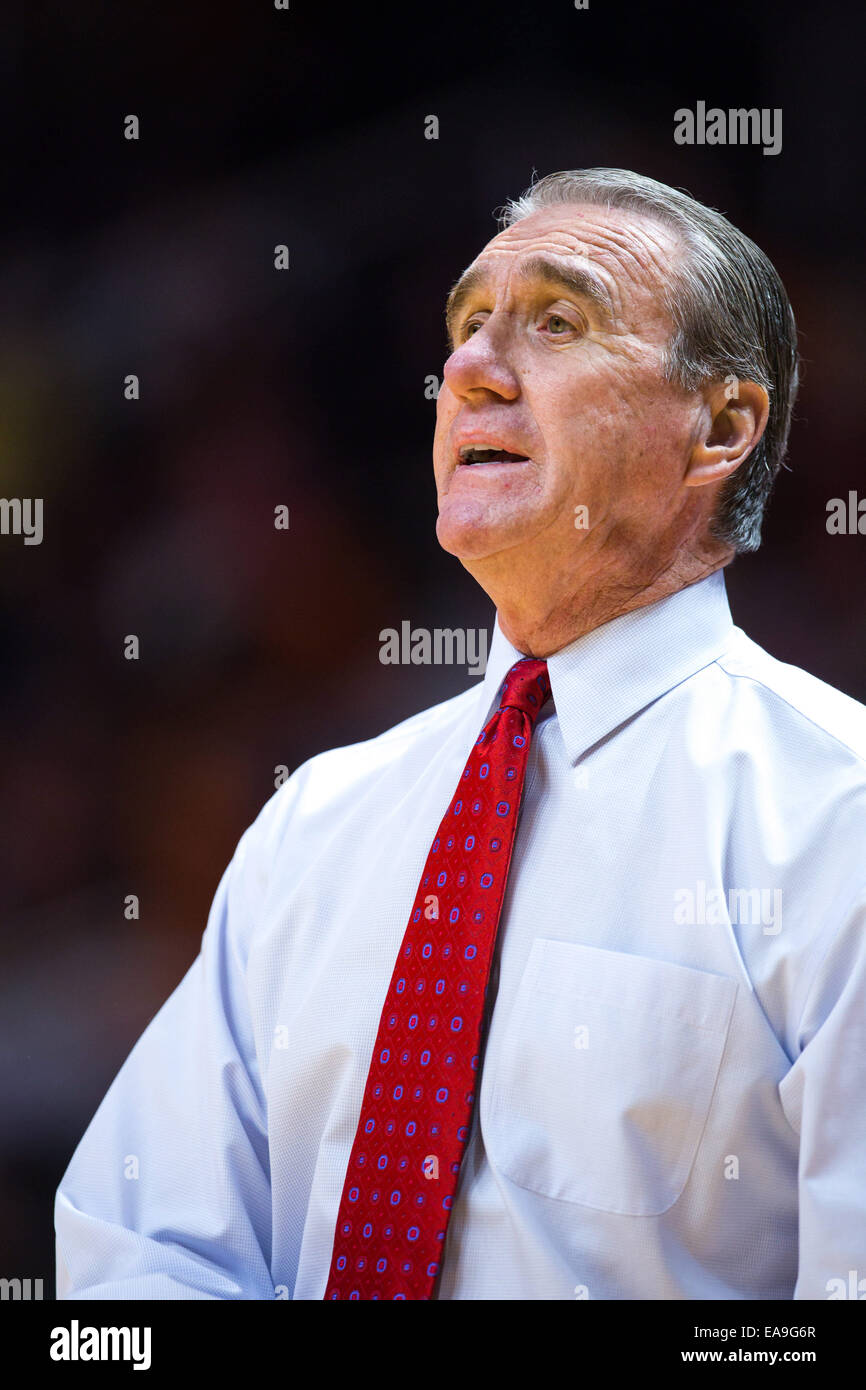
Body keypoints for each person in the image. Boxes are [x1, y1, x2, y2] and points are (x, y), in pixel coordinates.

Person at [55, 168, 866, 1300]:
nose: (470, 369)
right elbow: (136, 1249)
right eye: (464, 326)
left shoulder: (838, 817)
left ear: (719, 425)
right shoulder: (314, 820)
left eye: (555, 321)